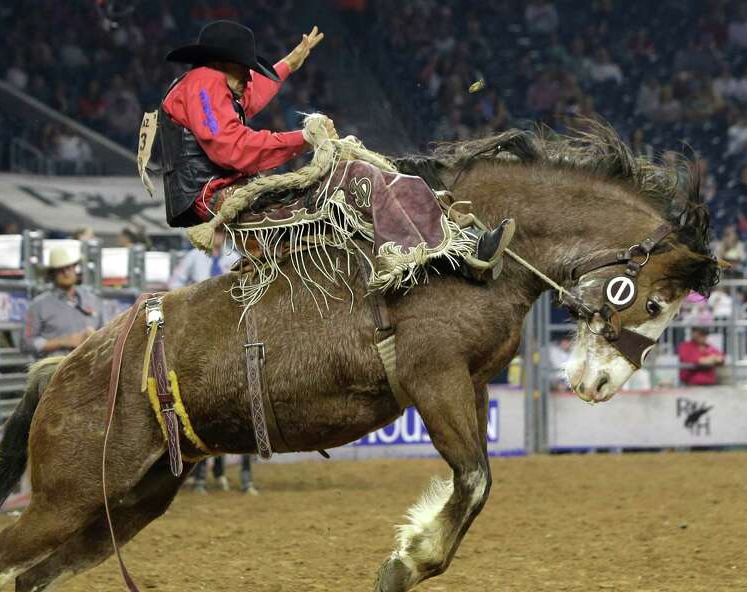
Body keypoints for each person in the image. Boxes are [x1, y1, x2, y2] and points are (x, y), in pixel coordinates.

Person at [157, 20, 513, 281]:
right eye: (245, 69)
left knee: (354, 177)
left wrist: (288, 63)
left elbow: (249, 99)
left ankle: (448, 240)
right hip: (218, 195)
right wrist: (303, 138)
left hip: (225, 191)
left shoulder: (210, 84)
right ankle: (448, 250)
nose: (249, 78)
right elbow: (231, 147)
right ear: (223, 62)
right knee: (355, 177)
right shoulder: (205, 83)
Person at [169, 234, 258, 495]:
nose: (217, 236)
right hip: (201, 329)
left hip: (231, 328)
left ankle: (228, 474)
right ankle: (208, 473)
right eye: (214, 231)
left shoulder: (234, 257)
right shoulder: (194, 258)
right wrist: (189, 299)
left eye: (220, 231)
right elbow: (174, 282)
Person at [22, 246, 103, 358]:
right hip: (55, 365)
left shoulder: (93, 301)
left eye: (69, 268)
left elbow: (107, 335)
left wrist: (96, 337)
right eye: (60, 270)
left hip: (90, 364)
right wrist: (63, 341)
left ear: (75, 269)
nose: (66, 273)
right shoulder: (39, 305)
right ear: (52, 274)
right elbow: (27, 343)